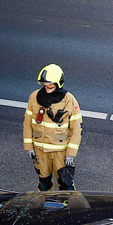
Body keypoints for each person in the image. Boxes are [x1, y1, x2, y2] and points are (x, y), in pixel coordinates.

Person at [23, 63, 82, 192]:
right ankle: (44, 207)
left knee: (66, 184)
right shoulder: (34, 97)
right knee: (43, 184)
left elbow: (77, 129)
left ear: (58, 83)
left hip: (60, 153)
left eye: (50, 85)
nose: (47, 88)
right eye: (45, 85)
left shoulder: (68, 100)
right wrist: (28, 146)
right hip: (40, 150)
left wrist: (71, 154)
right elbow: (27, 123)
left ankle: (67, 208)